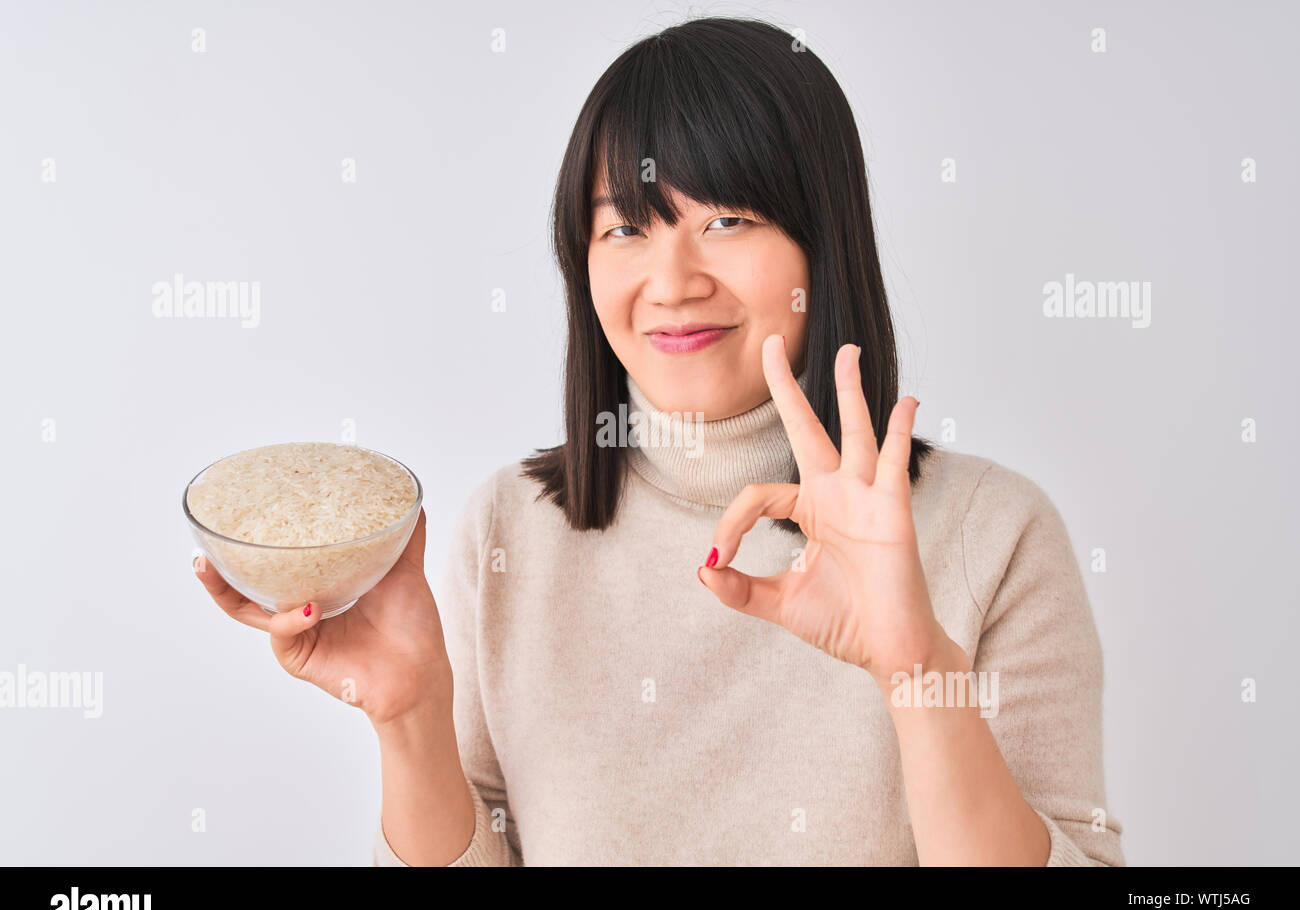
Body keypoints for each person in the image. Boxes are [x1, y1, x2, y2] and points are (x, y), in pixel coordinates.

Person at [195, 17, 1124, 866]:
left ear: (822, 240)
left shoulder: (992, 532)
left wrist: (915, 669)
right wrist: (407, 719)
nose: (671, 280)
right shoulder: (507, 529)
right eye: (627, 227)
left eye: (726, 219)